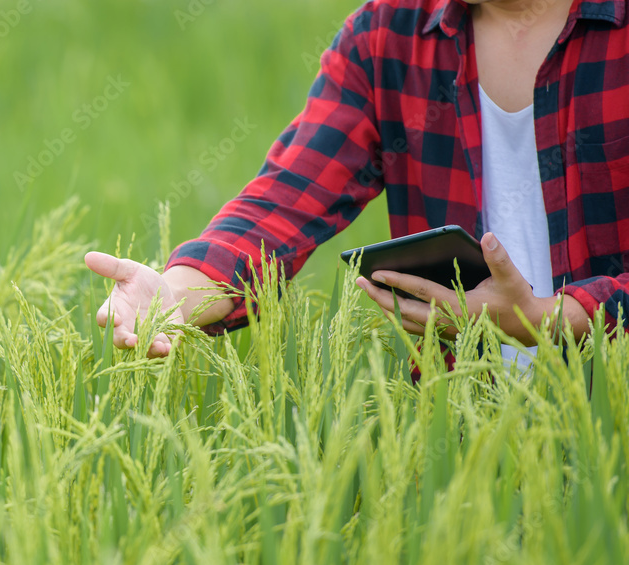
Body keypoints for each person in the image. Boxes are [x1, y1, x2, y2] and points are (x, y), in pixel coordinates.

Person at [86, 0, 629, 364]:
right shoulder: (388, 35)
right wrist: (176, 293)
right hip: (462, 445)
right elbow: (286, 199)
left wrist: (558, 318)